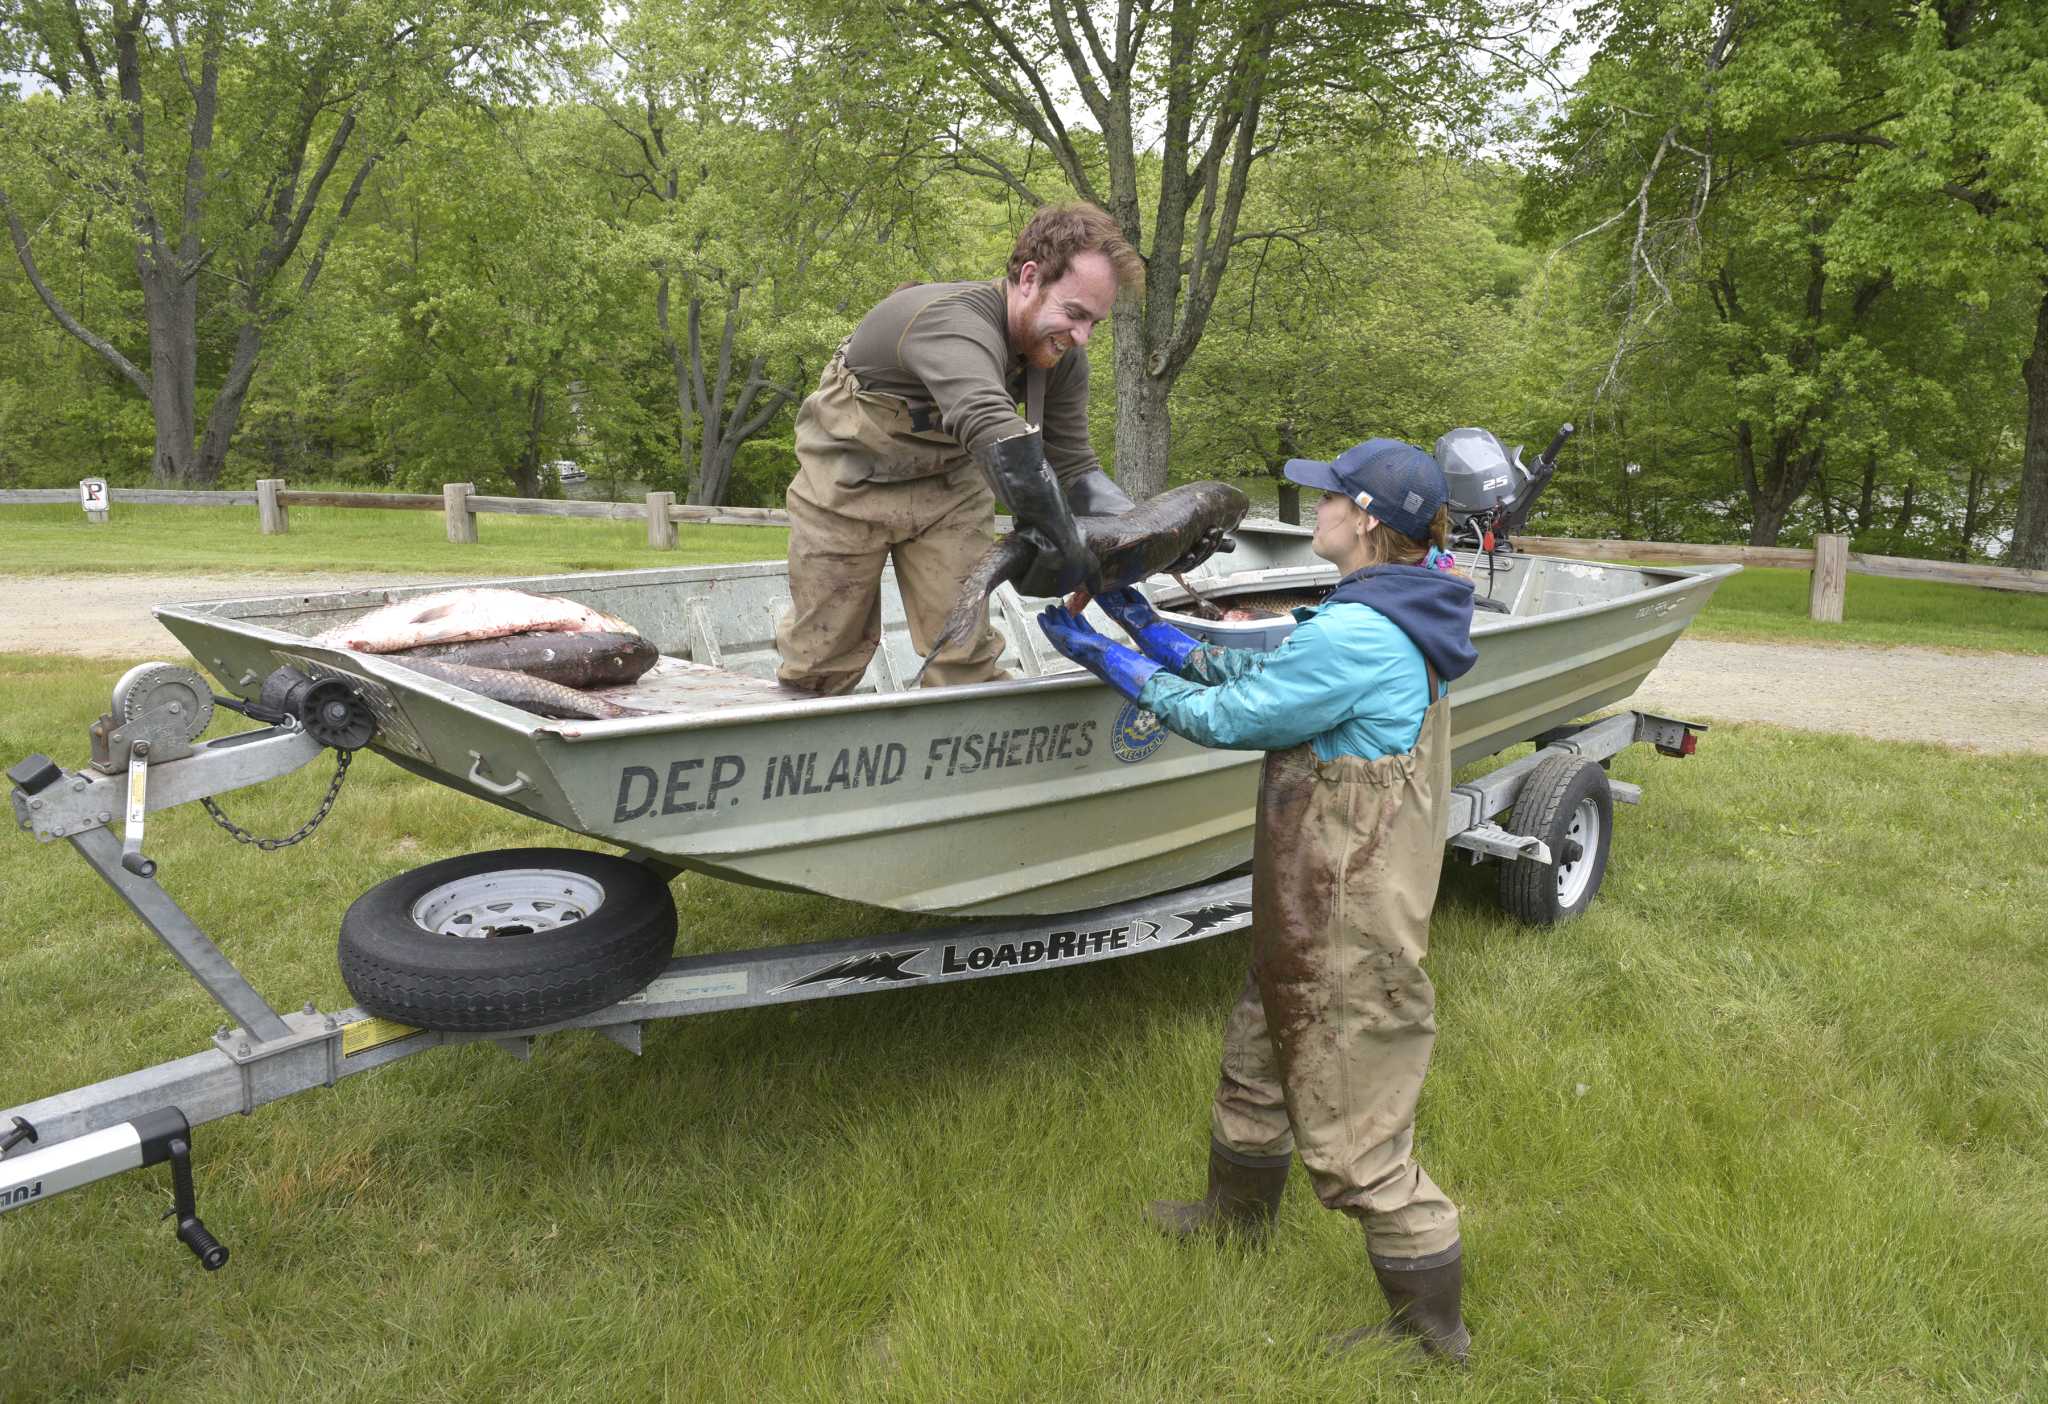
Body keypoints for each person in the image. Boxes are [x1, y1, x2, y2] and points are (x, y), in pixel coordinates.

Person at [1037, 438, 1480, 1364]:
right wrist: (1144, 624)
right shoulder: (1380, 609)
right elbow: (1267, 682)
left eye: (1325, 498)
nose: (1310, 507)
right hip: (1311, 904)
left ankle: (1431, 1337)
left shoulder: (1364, 631)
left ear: (1365, 519)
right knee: (1256, 1059)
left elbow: (1232, 719)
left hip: (1348, 922)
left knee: (1359, 1132)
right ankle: (1233, 1225)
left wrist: (1104, 660)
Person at [773, 202, 1145, 694]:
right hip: (847, 486)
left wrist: (1150, 535)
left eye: (1095, 323)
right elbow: (989, 422)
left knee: (965, 654)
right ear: (1030, 277)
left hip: (950, 493)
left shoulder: (1062, 358)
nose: (1082, 337)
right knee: (822, 659)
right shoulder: (952, 320)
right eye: (1074, 314)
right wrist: (1063, 541)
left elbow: (1076, 469)